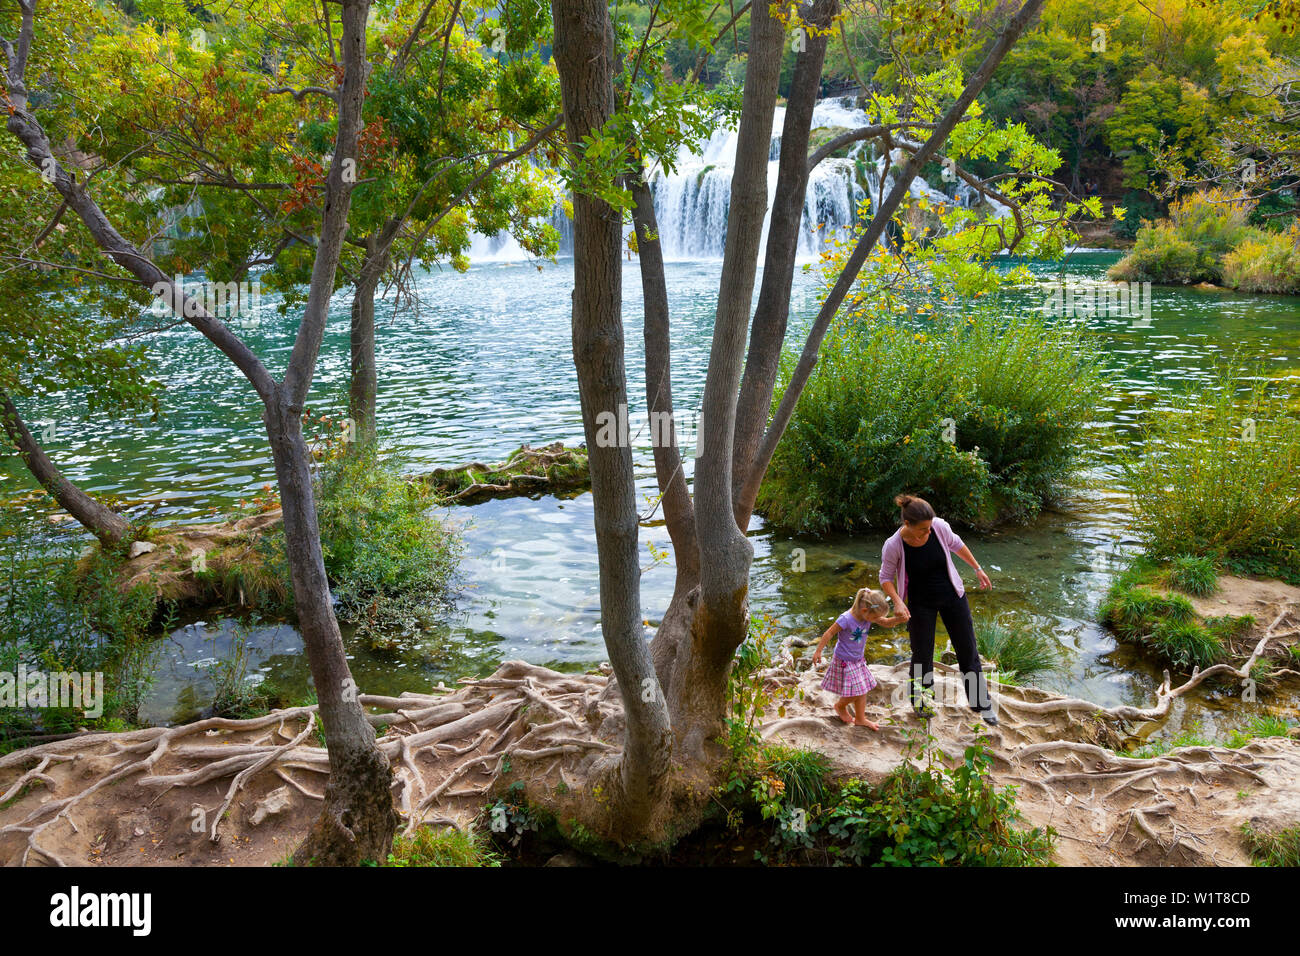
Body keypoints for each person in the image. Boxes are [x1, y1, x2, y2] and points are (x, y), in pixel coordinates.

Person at [879, 494, 998, 725]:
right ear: (907, 525)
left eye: (930, 527)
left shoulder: (939, 527)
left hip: (953, 597)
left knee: (968, 650)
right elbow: (885, 577)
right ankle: (922, 702)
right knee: (922, 654)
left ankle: (980, 703)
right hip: (919, 603)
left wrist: (978, 569)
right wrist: (897, 601)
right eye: (923, 529)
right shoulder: (893, 545)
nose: (929, 532)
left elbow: (957, 545)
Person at [811, 587, 905, 729]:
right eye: (874, 618)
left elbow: (886, 622)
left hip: (858, 660)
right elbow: (829, 633)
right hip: (844, 661)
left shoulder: (867, 614)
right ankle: (840, 706)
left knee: (863, 688)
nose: (876, 620)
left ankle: (860, 718)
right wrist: (818, 651)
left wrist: (899, 620)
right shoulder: (846, 619)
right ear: (864, 611)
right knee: (858, 690)